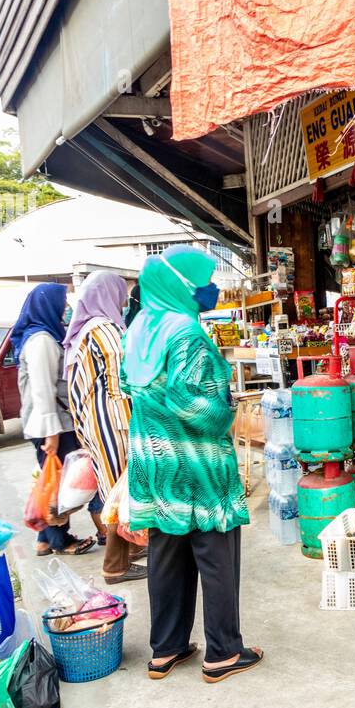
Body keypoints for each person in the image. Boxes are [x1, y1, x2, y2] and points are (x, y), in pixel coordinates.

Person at [121, 247, 260, 684]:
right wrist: (226, 406)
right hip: (197, 462)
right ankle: (223, 652)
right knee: (215, 553)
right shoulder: (187, 334)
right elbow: (197, 406)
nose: (212, 288)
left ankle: (167, 648)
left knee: (166, 552)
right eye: (204, 280)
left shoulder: (141, 327)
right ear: (183, 286)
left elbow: (132, 386)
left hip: (155, 458)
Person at [63, 272, 146, 584]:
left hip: (96, 421)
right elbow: (122, 382)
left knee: (116, 489)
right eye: (119, 294)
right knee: (120, 492)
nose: (124, 301)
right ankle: (115, 566)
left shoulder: (83, 331)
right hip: (116, 422)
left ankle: (129, 551)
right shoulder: (105, 330)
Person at [11, 283, 103, 556]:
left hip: (50, 423)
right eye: (62, 303)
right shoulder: (42, 340)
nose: (66, 308)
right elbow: (43, 390)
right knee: (62, 483)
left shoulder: (42, 335)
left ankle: (44, 538)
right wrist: (52, 434)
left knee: (51, 479)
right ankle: (59, 541)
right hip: (52, 425)